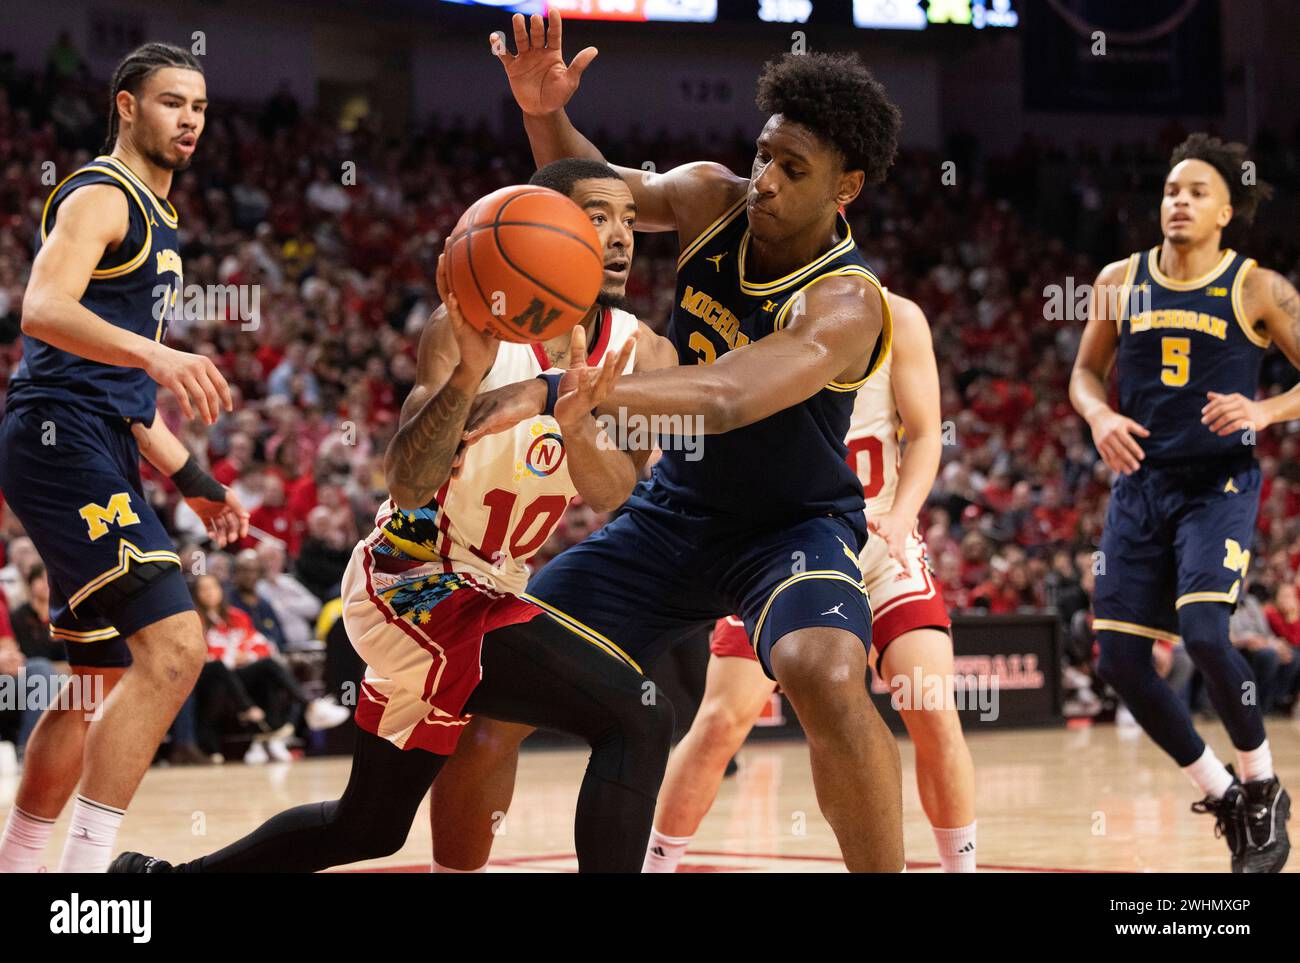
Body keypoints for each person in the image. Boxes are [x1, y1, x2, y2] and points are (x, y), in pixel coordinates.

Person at [110, 158, 681, 874]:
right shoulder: (466, 324)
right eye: (599, 216)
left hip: (491, 587)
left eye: (630, 218)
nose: (623, 235)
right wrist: (472, 374)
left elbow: (612, 492)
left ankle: (156, 882)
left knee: (368, 826)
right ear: (549, 224)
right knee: (636, 714)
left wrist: (571, 421)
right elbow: (408, 483)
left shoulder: (645, 350)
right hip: (410, 580)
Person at [434, 11, 904, 871]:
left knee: (829, 675)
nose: (764, 180)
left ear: (847, 188)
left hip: (789, 530)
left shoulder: (847, 302)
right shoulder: (707, 197)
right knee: (488, 684)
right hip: (672, 515)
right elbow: (585, 196)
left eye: (793, 170)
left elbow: (727, 395)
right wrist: (544, 112)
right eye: (764, 154)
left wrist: (557, 390)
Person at [428, 293, 976, 874]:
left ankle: (960, 867)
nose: (765, 196)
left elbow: (922, 433)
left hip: (874, 535)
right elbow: (698, 411)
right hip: (757, 535)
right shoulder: (726, 294)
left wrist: (905, 512)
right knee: (718, 722)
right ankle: (660, 862)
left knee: (931, 702)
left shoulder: (890, 313)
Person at [0, 43, 248, 874]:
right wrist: (157, 355)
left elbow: (123, 399)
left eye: (201, 107)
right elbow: (40, 307)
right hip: (57, 437)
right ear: (127, 107)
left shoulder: (162, 218)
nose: (190, 119)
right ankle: (85, 880)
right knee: (176, 649)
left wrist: (197, 481)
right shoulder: (104, 195)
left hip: (94, 433)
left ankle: (23, 862)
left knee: (95, 676)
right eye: (173, 102)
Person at [1069, 133, 1299, 872]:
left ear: (1227, 211)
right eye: (1172, 190)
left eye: (1198, 192)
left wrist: (1264, 412)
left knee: (1204, 631)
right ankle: (1223, 793)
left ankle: (1263, 787)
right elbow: (1082, 374)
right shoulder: (1117, 278)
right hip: (1140, 487)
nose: (1180, 201)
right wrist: (1100, 416)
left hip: (1217, 484)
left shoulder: (1260, 287)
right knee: (1120, 661)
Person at [190, 574, 347, 763]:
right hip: (211, 678)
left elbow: (260, 643)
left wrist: (245, 655)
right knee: (220, 668)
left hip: (239, 672)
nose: (209, 593)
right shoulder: (194, 620)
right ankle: (266, 720)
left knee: (268, 667)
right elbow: (202, 655)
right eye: (204, 589)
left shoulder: (236, 616)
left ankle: (292, 720)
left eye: (213, 587)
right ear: (196, 594)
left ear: (221, 590)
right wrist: (232, 656)